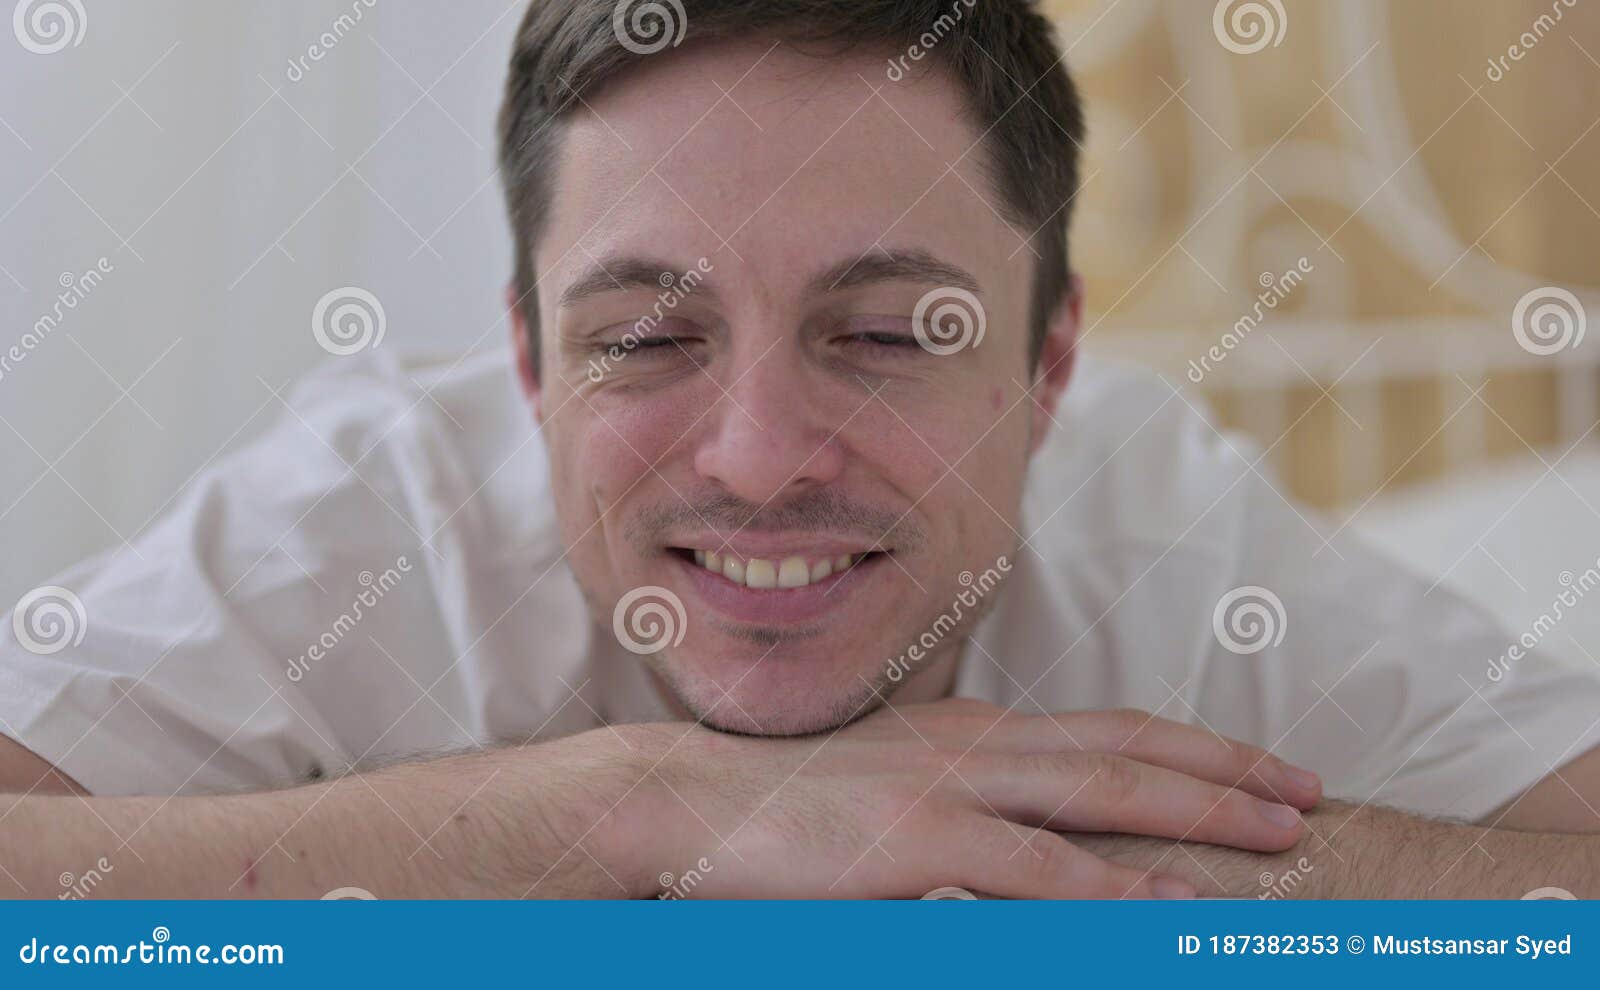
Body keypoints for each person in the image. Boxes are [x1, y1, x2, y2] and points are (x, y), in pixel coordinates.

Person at [2, 0, 1597, 899]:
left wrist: (1089, 848)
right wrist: (633, 804)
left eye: (892, 334)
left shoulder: (1157, 515)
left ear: (1048, 369)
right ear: (523, 359)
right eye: (645, 336)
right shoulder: (368, 512)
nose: (762, 460)